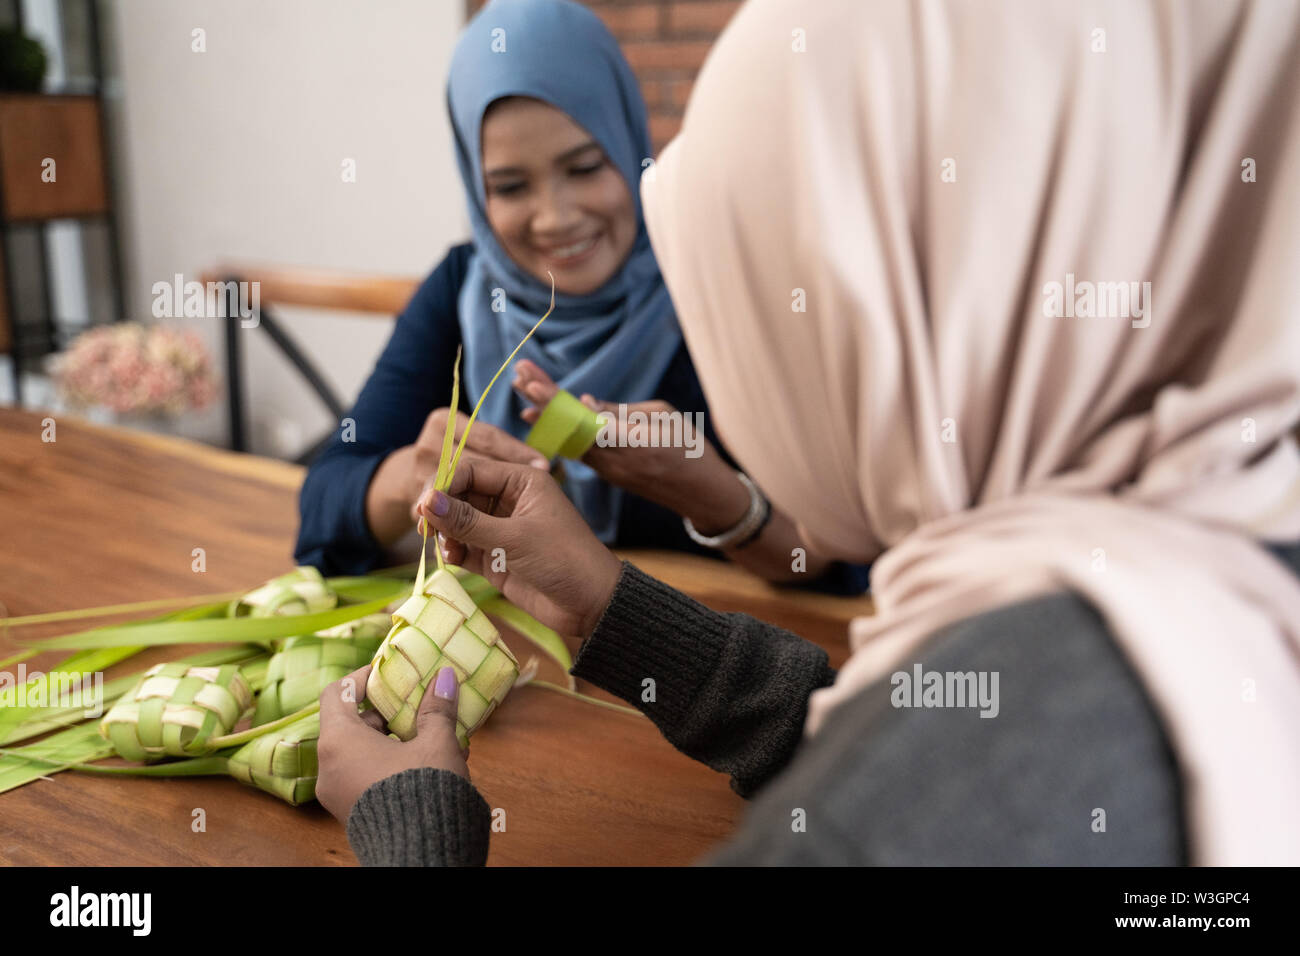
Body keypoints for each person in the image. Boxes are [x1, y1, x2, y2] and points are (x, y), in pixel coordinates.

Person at [316, 0, 1300, 865]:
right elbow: (889, 728)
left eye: (789, 294)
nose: (555, 215)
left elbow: (907, 773)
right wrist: (610, 607)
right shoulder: (1185, 587)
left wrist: (415, 828)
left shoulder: (1013, 749)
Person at [293, 0, 866, 594]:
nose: (557, 217)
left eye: (587, 167)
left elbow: (838, 558)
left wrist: (713, 495)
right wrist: (408, 477)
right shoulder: (464, 288)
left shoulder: (712, 277)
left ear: (627, 143)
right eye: (511, 186)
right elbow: (324, 503)